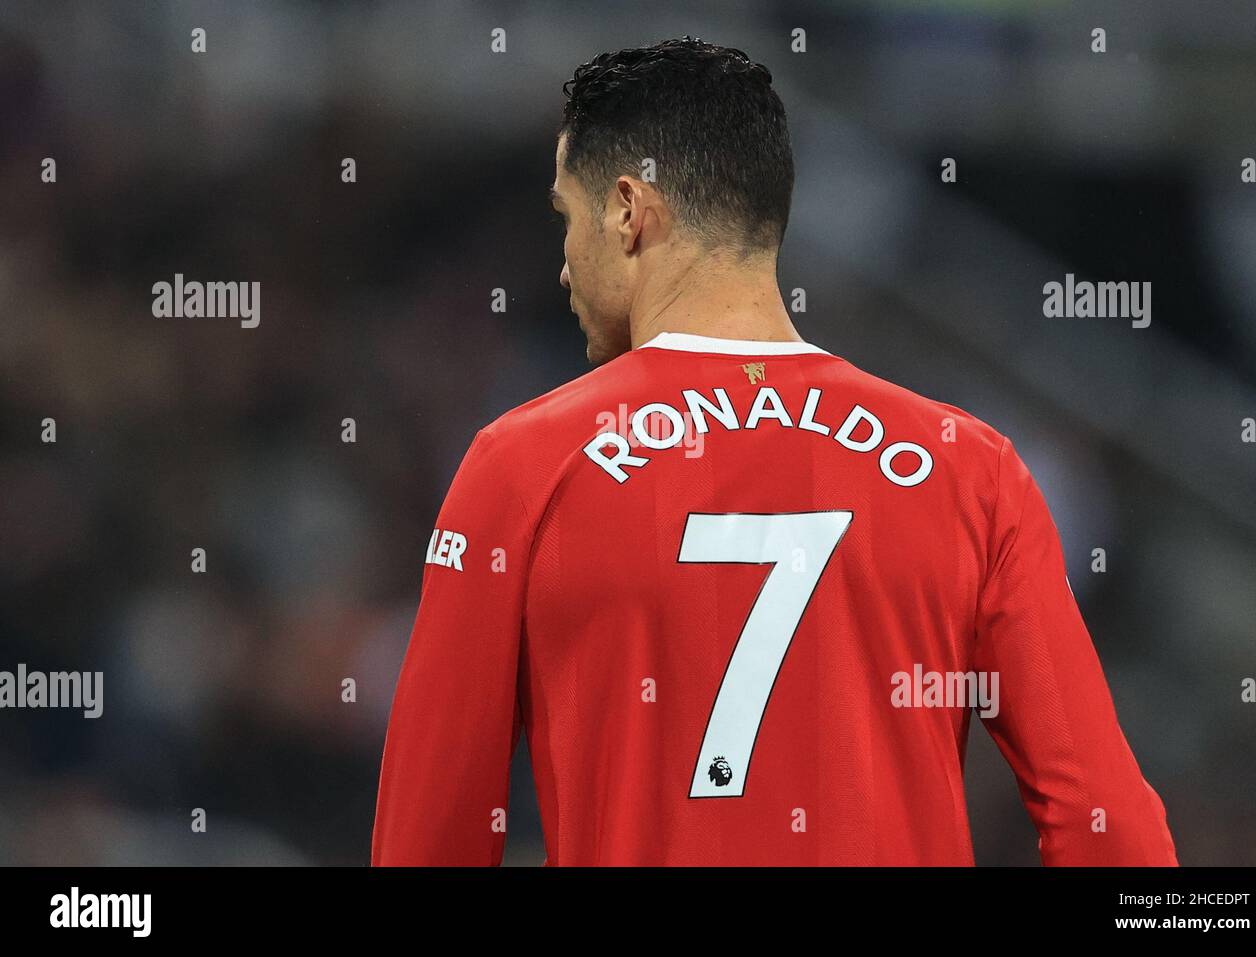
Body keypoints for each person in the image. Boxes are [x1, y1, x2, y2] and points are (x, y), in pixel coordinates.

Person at [371, 37, 1178, 866]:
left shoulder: (524, 464)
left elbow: (429, 838)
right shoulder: (968, 468)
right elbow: (1110, 827)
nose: (565, 265)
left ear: (626, 210)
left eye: (564, 220)